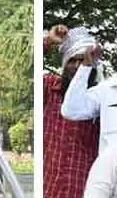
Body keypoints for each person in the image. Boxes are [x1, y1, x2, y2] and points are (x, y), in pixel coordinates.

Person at [43, 25, 101, 198]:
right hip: (47, 187)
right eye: (72, 60)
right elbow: (29, 62)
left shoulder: (98, 100)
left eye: (83, 61)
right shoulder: (48, 87)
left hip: (81, 189)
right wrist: (49, 41)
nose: (77, 66)